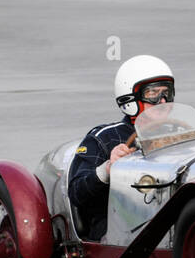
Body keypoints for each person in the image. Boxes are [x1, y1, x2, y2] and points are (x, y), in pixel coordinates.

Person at [68, 56, 175, 241]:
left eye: (167, 92)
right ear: (129, 99)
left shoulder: (181, 131)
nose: (163, 101)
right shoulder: (104, 137)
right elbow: (76, 193)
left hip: (171, 213)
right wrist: (109, 168)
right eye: (153, 93)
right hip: (117, 226)